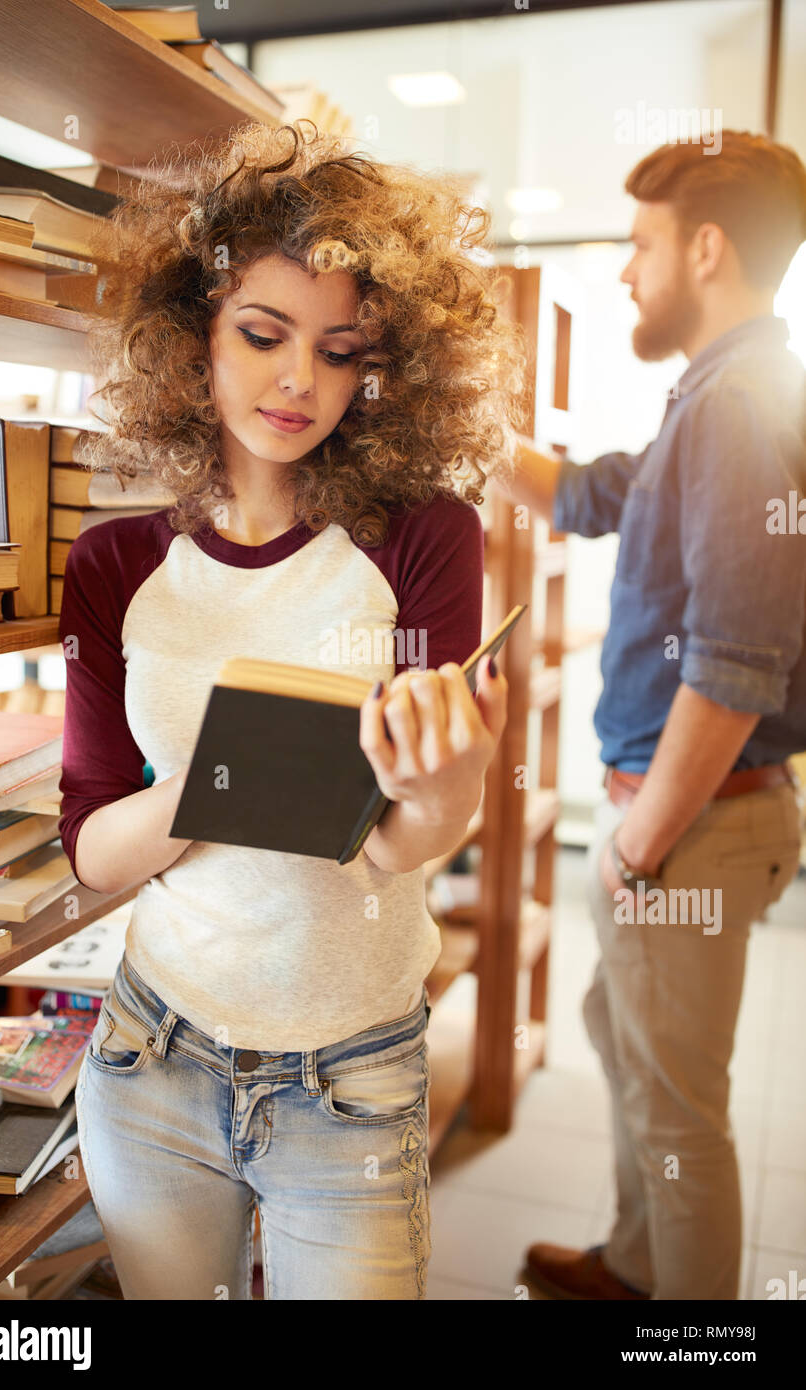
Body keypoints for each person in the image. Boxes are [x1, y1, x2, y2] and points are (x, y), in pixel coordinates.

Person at [57, 120, 519, 1300]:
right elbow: (95, 846)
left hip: (351, 1079)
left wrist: (449, 783)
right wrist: (230, 775)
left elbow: (399, 841)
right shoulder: (115, 565)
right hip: (152, 1057)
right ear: (193, 337)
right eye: (261, 334)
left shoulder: (423, 537)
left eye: (339, 349)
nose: (298, 381)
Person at [492, 130, 806, 1300]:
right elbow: (589, 494)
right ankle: (632, 1271)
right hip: (684, 814)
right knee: (627, 1049)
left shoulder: (737, 409)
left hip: (688, 819)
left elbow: (732, 663)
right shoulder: (718, 395)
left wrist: (636, 839)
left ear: (706, 247)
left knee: (678, 1116)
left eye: (639, 246)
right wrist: (474, 432)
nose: (624, 272)